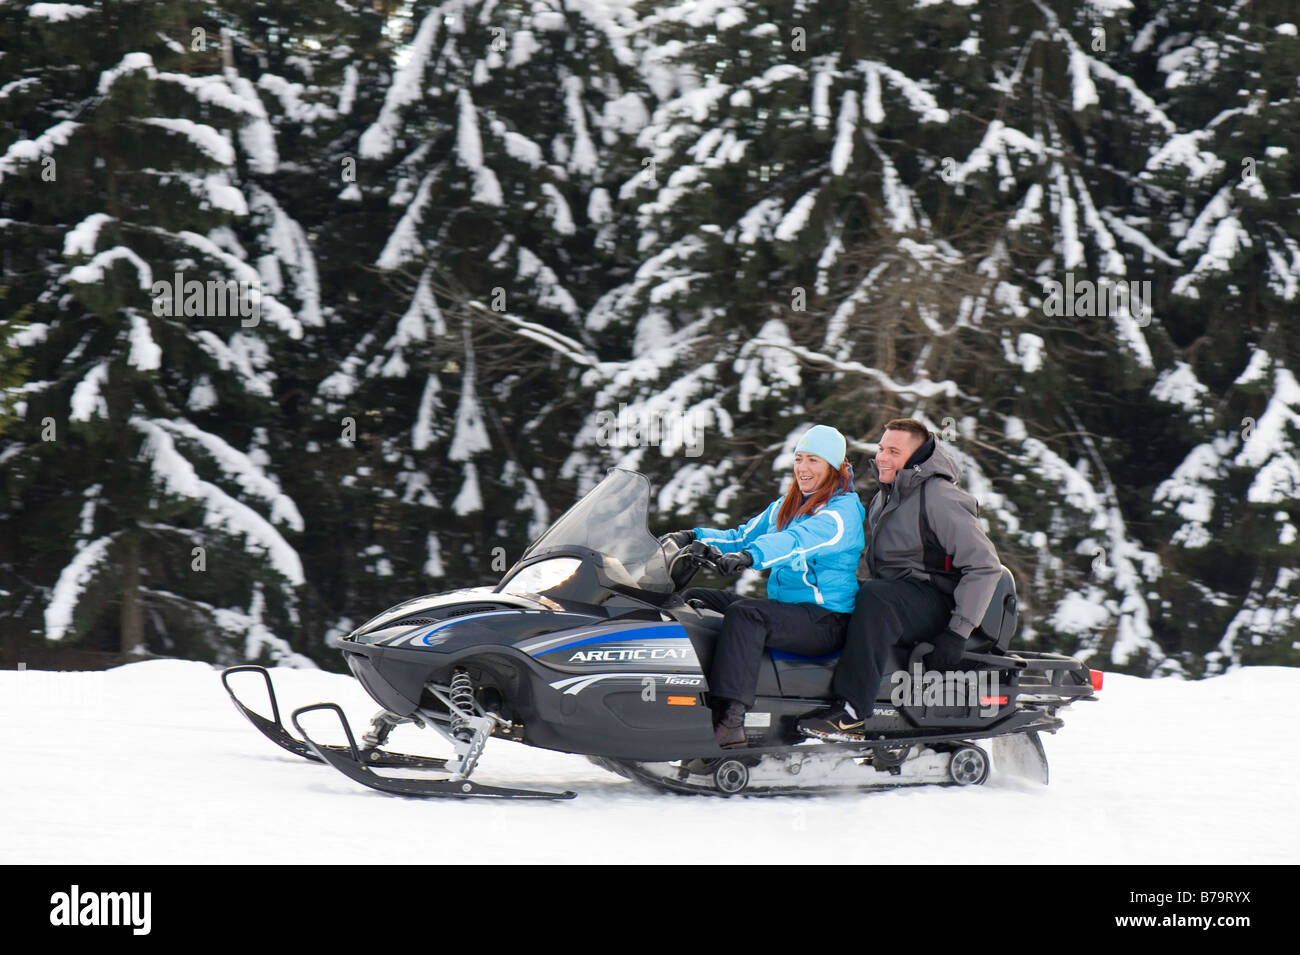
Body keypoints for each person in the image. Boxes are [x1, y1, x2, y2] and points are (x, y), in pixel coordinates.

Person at [660, 425, 865, 748]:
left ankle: (730, 721)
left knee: (747, 613)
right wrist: (692, 536)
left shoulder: (843, 513)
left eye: (814, 460)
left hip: (825, 620)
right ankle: (679, 694)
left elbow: (796, 542)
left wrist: (750, 557)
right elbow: (741, 535)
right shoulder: (789, 505)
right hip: (790, 611)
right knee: (694, 598)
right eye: (799, 458)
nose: (803, 468)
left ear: (833, 467)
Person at [798, 418, 1003, 741]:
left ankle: (852, 711)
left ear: (917, 457)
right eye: (881, 448)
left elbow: (984, 566)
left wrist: (957, 631)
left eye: (894, 451)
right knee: (845, 594)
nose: (881, 457)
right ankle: (807, 686)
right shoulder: (886, 497)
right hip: (902, 596)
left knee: (877, 597)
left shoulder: (938, 496)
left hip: (939, 601)